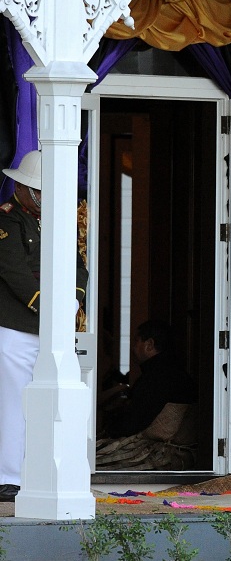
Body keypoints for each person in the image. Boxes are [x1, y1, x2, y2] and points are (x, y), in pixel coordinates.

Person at [0, 150, 87, 503]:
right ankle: (9, 477)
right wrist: (50, 307)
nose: (44, 197)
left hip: (52, 329)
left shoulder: (51, 220)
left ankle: (48, 473)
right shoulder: (7, 220)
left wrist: (74, 300)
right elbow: (15, 272)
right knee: (15, 403)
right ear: (22, 188)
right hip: (18, 327)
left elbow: (78, 267)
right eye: (39, 190)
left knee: (54, 403)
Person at [102, 320, 199, 438]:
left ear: (149, 345)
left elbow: (132, 424)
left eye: (136, 341)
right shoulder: (173, 371)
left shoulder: (157, 378)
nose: (133, 348)